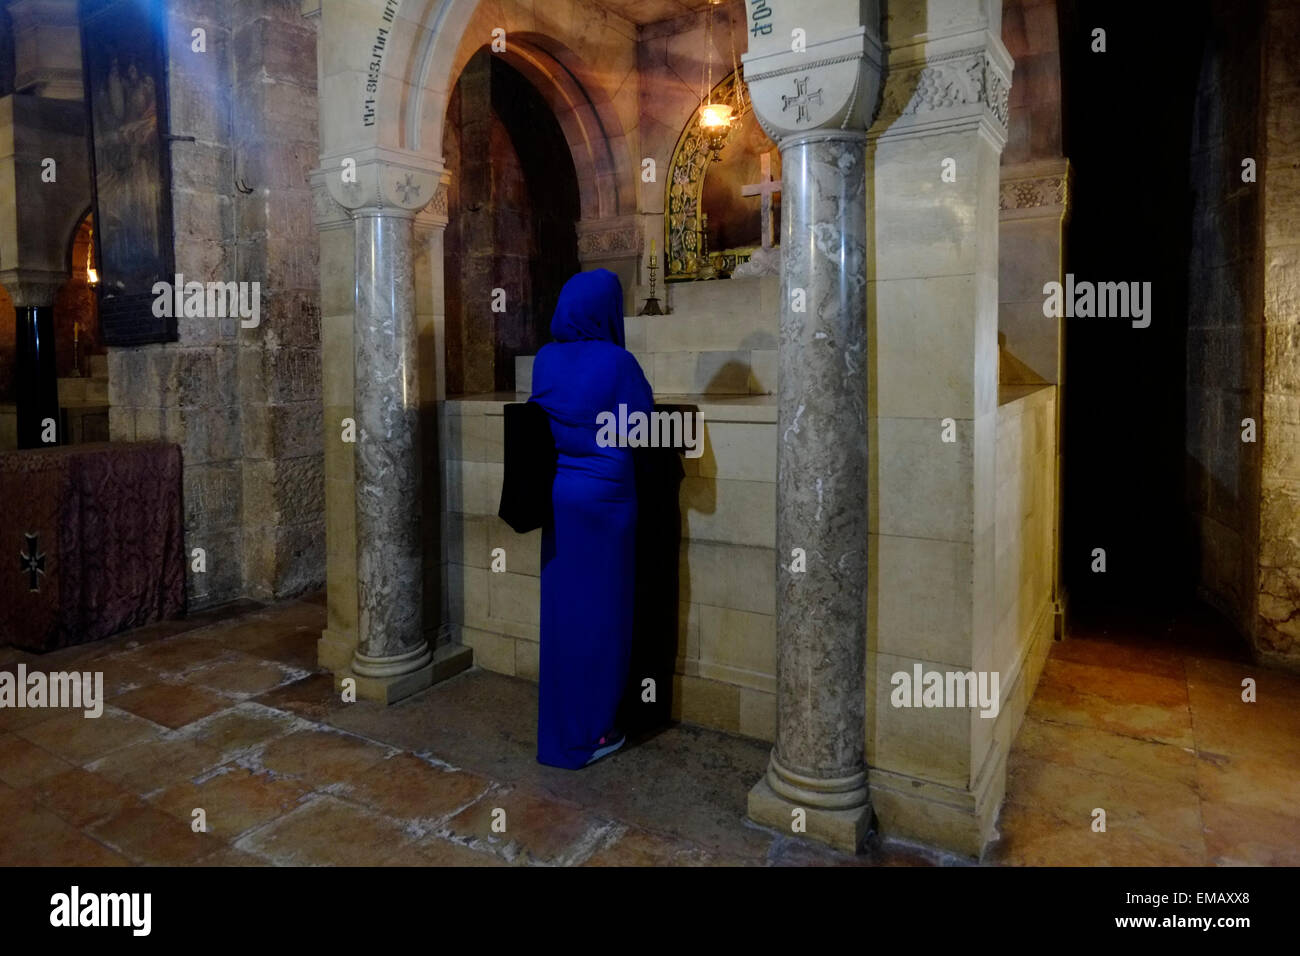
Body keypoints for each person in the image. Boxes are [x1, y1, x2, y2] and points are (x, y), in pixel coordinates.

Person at [528, 269, 654, 769]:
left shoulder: (545, 359)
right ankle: (596, 732)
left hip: (561, 500)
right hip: (608, 505)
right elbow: (643, 431)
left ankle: (562, 728)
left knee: (564, 617)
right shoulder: (618, 363)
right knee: (605, 619)